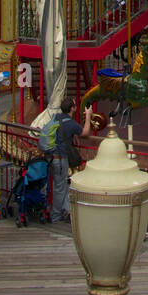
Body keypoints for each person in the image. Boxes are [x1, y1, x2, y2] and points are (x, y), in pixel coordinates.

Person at [49, 96, 92, 224]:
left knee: (60, 184)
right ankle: (55, 216)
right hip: (61, 158)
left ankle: (65, 210)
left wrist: (70, 137)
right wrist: (88, 116)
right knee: (60, 187)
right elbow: (85, 133)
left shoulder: (56, 118)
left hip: (52, 157)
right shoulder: (71, 123)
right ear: (72, 108)